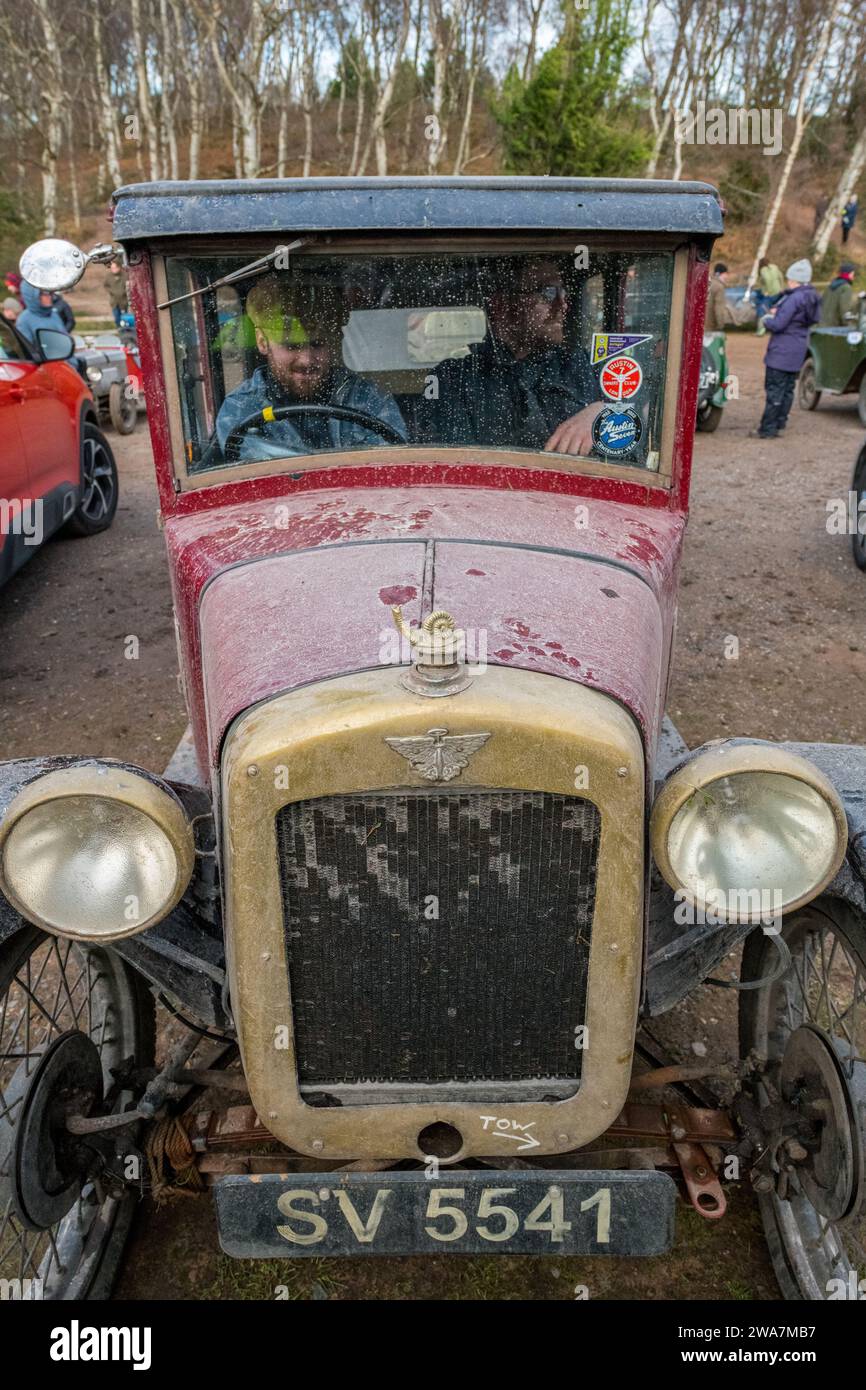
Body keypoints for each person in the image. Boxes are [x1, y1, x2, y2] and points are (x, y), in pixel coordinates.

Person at [215, 275, 406, 463]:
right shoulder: (240, 409)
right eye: (292, 346)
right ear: (262, 342)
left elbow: (389, 469)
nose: (306, 360)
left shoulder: (369, 399)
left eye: (317, 344)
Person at [425, 257, 603, 455]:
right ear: (501, 305)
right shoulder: (455, 377)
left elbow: (633, 418)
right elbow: (454, 462)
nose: (563, 305)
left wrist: (601, 415)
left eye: (564, 292)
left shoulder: (579, 365)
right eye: (548, 293)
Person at [750, 259, 820, 440]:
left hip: (781, 351)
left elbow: (779, 324)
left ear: (796, 280)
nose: (788, 281)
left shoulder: (794, 298)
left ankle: (767, 429)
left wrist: (767, 319)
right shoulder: (812, 297)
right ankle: (780, 423)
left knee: (774, 390)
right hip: (797, 350)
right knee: (788, 390)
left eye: (790, 279)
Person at [15, 279, 73, 346]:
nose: (49, 296)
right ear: (31, 296)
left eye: (50, 292)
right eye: (44, 293)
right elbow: (28, 351)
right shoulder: (23, 321)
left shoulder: (53, 314)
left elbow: (64, 337)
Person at [704, 263, 752, 332]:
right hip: (711, 325)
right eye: (725, 274)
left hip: (703, 323)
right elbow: (718, 308)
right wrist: (720, 325)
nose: (727, 276)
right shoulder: (719, 287)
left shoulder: (709, 283)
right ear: (721, 274)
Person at [753, 257, 784, 336]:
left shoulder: (762, 270)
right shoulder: (775, 267)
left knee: (761, 309)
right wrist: (782, 287)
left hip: (771, 294)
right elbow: (781, 277)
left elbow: (767, 280)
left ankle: (761, 329)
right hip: (779, 292)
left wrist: (767, 292)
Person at [821, 262, 857, 326]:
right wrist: (849, 326)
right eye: (853, 273)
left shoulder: (830, 285)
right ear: (849, 274)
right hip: (833, 327)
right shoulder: (846, 288)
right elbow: (844, 311)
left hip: (821, 324)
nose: (853, 276)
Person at [104, 258, 129, 327]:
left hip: (123, 301)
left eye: (115, 267)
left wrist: (124, 291)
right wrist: (111, 291)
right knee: (117, 317)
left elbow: (128, 285)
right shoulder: (108, 276)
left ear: (119, 267)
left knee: (125, 318)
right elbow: (106, 285)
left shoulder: (125, 275)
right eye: (112, 268)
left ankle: (126, 330)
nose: (113, 269)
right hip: (114, 301)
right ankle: (119, 329)